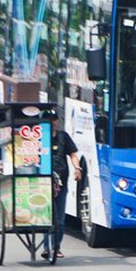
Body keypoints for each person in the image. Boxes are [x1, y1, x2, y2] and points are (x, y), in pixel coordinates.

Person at [43, 109, 81, 259]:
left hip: (61, 183)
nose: (51, 122)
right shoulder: (39, 137)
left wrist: (77, 168)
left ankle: (56, 247)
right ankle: (46, 248)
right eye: (48, 119)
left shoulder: (63, 137)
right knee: (44, 216)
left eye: (53, 119)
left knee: (59, 219)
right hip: (42, 183)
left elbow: (73, 155)